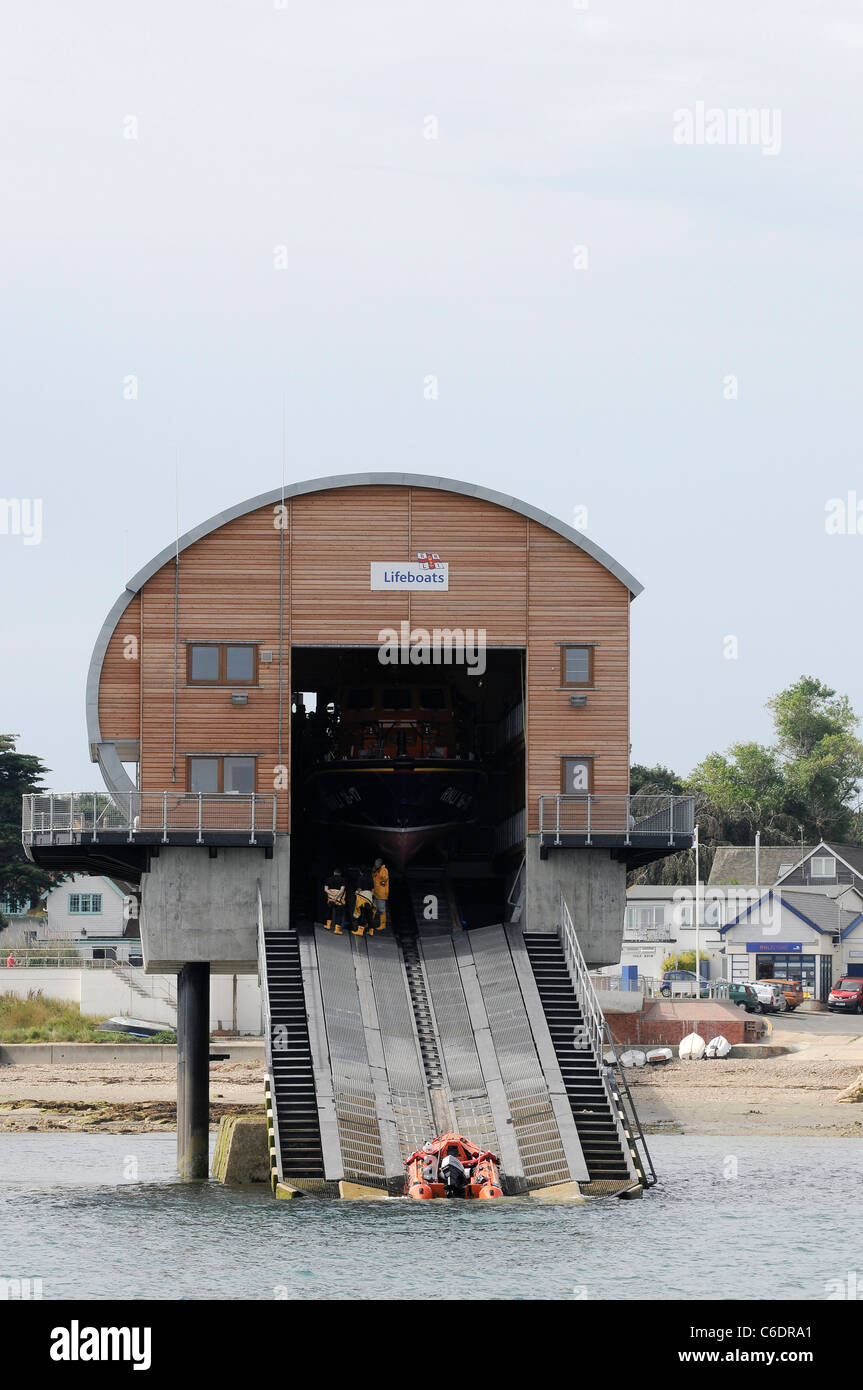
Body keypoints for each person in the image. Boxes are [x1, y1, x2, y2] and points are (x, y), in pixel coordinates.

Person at [352, 866, 376, 936]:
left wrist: (356, 892)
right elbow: (373, 890)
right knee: (369, 915)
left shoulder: (361, 878)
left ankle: (360, 931)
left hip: (363, 897)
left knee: (363, 914)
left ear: (360, 872)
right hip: (369, 897)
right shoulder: (371, 878)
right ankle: (371, 931)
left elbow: (359, 888)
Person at [323, 869, 347, 934]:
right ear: (340, 873)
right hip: (339, 900)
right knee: (338, 914)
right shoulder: (342, 880)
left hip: (330, 898)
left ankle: (328, 926)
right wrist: (336, 897)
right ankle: (337, 930)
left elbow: (325, 889)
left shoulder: (329, 879)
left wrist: (332, 895)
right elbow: (342, 890)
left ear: (334, 873)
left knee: (329, 912)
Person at [372, 858, 389, 933]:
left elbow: (384, 879)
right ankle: (370, 922)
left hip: (381, 894)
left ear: (380, 864)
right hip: (376, 893)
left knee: (381, 910)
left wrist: (378, 871)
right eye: (375, 863)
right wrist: (374, 871)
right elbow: (373, 878)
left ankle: (383, 925)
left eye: (377, 863)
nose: (375, 864)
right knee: (373, 908)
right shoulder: (376, 870)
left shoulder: (384, 870)